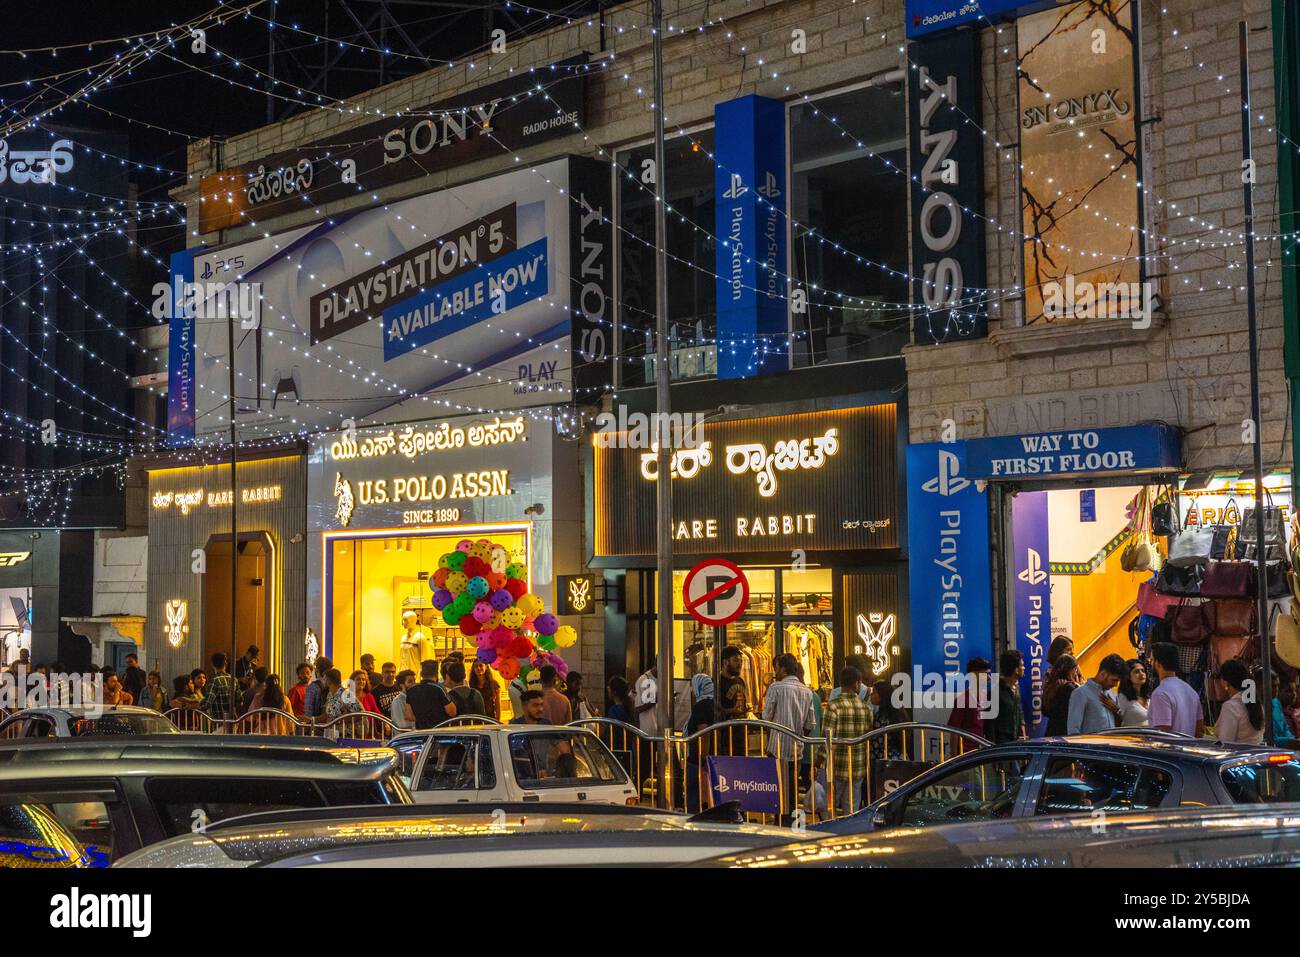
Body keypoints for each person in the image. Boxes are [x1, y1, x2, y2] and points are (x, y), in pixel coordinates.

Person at [763, 653, 817, 822]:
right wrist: (799, 737)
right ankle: (791, 821)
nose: (775, 672)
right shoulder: (807, 691)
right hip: (796, 749)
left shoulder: (776, 688)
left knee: (777, 788)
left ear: (783, 669)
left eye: (776, 668)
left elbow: (766, 717)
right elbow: (810, 724)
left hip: (776, 747)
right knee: (793, 788)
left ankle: (780, 821)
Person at [824, 666, 872, 815]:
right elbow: (868, 734)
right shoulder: (866, 708)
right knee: (852, 809)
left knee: (830, 808)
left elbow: (827, 738)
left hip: (836, 765)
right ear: (855, 684)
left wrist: (821, 761)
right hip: (858, 765)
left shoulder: (833, 706)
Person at [1148, 641, 1205, 737]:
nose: (1150, 663)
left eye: (1152, 660)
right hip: (1187, 749)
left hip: (1170, 750)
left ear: (1158, 663)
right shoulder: (1190, 691)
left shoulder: (1160, 694)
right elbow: (1199, 730)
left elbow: (1162, 733)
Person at [1066, 654, 1124, 735]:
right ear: (1103, 674)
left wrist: (1117, 711)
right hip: (1090, 747)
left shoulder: (1112, 694)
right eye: (1114, 680)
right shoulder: (1080, 693)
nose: (1116, 685)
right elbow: (1073, 730)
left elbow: (1118, 727)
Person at [683, 674, 716, 813]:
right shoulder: (713, 703)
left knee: (695, 797)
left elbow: (703, 732)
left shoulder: (701, 706)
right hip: (708, 759)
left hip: (698, 761)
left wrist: (703, 759)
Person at [1215, 660, 1265, 745]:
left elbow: (1225, 742)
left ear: (1225, 682)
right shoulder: (1256, 702)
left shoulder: (1231, 707)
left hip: (1237, 756)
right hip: (1255, 754)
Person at [947, 657, 992, 738]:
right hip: (966, 749)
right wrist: (954, 751)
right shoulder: (963, 699)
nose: (989, 678)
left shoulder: (986, 697)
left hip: (982, 748)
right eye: (985, 674)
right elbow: (954, 730)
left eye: (989, 674)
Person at [405, 659, 455, 729]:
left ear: (422, 673)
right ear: (436, 673)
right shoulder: (439, 688)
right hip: (439, 731)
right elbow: (452, 712)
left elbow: (408, 715)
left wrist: (422, 720)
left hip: (421, 731)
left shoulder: (411, 690)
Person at [990, 650, 1026, 743]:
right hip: (1002, 747)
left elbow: (1019, 713)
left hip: (1016, 744)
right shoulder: (996, 692)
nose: (1024, 668)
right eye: (1022, 665)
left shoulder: (1016, 688)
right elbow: (990, 725)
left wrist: (1023, 736)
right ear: (1016, 670)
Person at [1043, 654, 1081, 736]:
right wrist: (1077, 685)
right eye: (1075, 670)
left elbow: (1045, 711)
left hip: (1051, 731)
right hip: (1066, 733)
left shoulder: (1051, 685)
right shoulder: (1070, 688)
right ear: (1071, 670)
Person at [201, 653, 239, 721]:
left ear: (212, 664)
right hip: (232, 720)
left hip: (219, 720)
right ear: (225, 663)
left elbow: (207, 704)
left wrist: (193, 706)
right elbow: (239, 700)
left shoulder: (215, 680)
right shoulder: (234, 679)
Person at [1117, 659, 1151, 727]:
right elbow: (1118, 722)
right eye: (1136, 672)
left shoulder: (1148, 698)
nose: (1141, 674)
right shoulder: (1123, 698)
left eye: (1143, 671)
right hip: (1131, 736)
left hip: (1150, 736)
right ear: (1128, 676)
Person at [634, 662, 660, 735]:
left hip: (661, 731)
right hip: (647, 731)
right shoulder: (644, 680)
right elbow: (638, 708)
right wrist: (658, 699)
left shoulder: (664, 680)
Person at [303, 656, 330, 721]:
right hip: (331, 726)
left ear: (317, 670)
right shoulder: (332, 686)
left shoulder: (312, 688)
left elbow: (308, 712)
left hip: (316, 726)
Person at [1273, 682, 1299, 748]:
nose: (1293, 694)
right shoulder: (1274, 706)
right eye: (1288, 691)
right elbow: (1273, 739)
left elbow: (1287, 733)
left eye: (1295, 691)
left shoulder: (1292, 713)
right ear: (1279, 692)